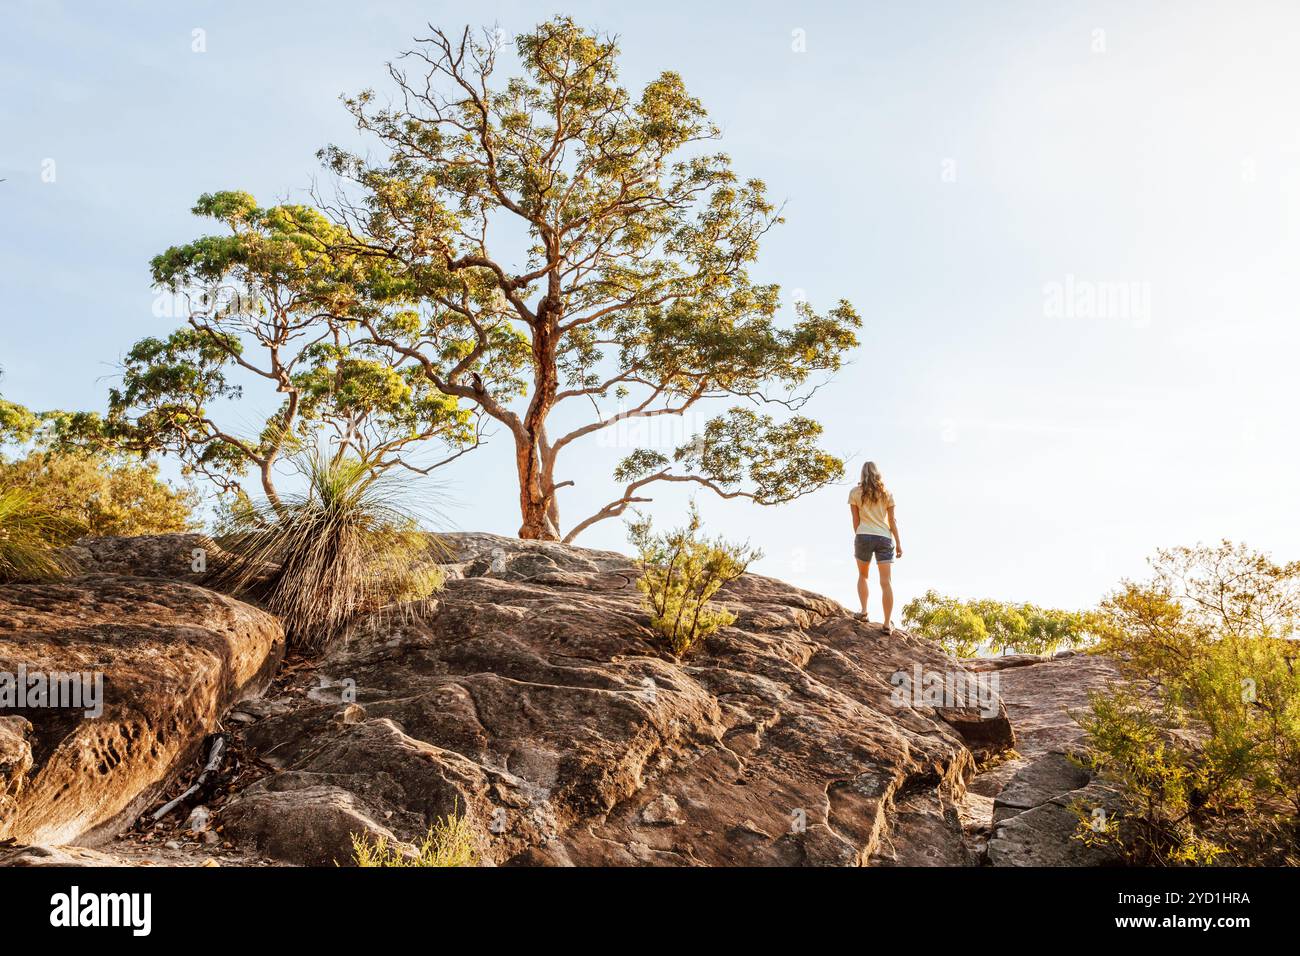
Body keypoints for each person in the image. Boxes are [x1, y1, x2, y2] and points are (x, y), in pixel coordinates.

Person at [848, 461, 903, 633]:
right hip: (884, 538)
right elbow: (892, 521)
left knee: (863, 576)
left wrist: (860, 534)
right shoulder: (887, 493)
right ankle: (887, 624)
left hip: (863, 535)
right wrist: (899, 543)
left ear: (862, 474)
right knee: (886, 582)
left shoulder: (855, 493)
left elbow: (855, 521)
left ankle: (864, 612)